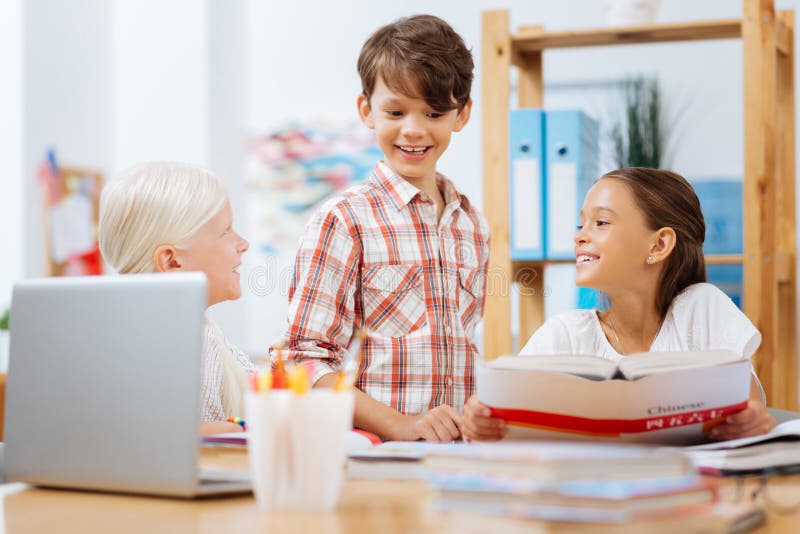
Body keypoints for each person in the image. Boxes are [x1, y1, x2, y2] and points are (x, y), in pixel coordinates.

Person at [272, 15, 489, 442]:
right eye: (395, 111)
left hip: (458, 458)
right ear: (366, 110)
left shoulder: (471, 224)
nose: (413, 129)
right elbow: (300, 361)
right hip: (373, 460)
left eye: (434, 112)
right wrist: (399, 425)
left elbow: (464, 350)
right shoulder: (344, 220)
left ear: (461, 114)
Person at [462, 167, 776, 442]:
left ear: (659, 244)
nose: (580, 237)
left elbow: (748, 411)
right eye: (580, 225)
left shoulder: (701, 310)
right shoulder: (564, 335)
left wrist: (753, 423)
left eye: (600, 222)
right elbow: (502, 419)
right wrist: (481, 421)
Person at [98, 162, 253, 435]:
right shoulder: (190, 341)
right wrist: (248, 427)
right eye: (226, 231)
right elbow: (170, 433)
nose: (243, 243)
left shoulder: (204, 332)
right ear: (171, 261)